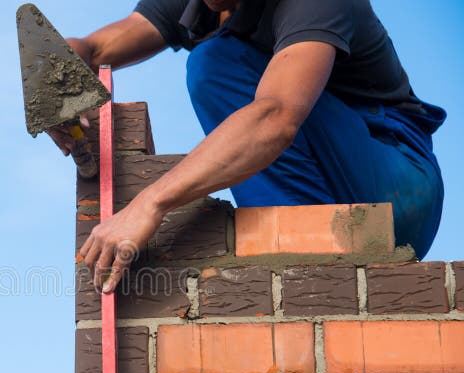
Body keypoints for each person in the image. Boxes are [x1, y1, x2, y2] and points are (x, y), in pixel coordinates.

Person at [50, 0, 446, 294]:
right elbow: (94, 49)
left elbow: (276, 117)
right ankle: (297, 255)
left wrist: (148, 204)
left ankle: (298, 255)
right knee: (217, 62)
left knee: (215, 64)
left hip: (397, 183)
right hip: (334, 173)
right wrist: (58, 75)